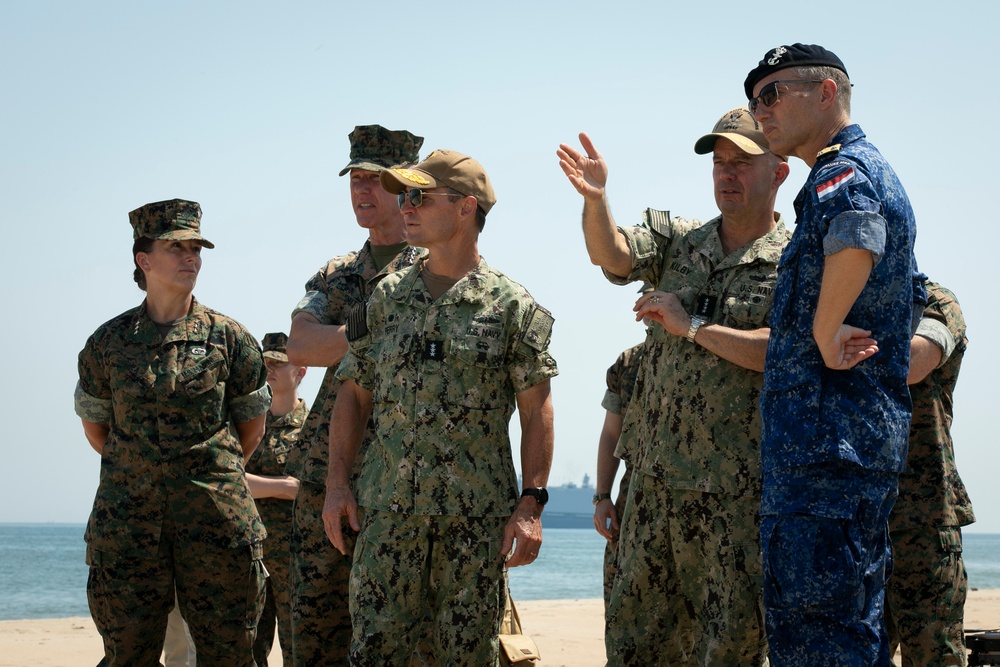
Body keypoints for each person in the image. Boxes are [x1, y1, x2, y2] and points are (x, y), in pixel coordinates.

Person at [557, 106, 791, 666]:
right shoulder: (678, 243)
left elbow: (784, 352)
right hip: (652, 493)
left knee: (728, 650)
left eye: (742, 162)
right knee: (636, 650)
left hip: (735, 501)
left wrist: (694, 328)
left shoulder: (798, 261)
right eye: (719, 162)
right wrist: (596, 201)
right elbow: (609, 253)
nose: (726, 173)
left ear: (779, 172)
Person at [323, 149, 558, 666]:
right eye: (402, 196)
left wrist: (531, 503)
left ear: (465, 207)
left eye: (418, 197)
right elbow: (354, 393)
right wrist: (337, 485)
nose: (404, 206)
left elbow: (536, 406)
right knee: (375, 656)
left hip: (472, 527)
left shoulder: (510, 306)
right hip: (386, 519)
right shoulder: (384, 300)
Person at [744, 43, 924, 666]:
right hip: (837, 447)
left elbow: (857, 234)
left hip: (828, 449)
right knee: (845, 630)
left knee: (820, 635)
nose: (759, 111)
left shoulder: (845, 170)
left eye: (772, 94)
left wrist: (824, 328)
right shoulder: (851, 170)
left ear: (826, 92)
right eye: (753, 99)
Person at [75, 199, 270, 667]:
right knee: (127, 656)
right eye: (176, 246)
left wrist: (203, 476)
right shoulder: (108, 343)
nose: (191, 257)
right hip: (129, 528)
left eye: (196, 247)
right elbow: (97, 429)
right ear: (143, 260)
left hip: (216, 526)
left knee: (231, 655)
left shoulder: (230, 338)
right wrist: (145, 472)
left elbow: (252, 430)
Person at [283, 124, 424, 666]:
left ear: (411, 186)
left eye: (377, 181)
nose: (363, 192)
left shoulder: (440, 273)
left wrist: (342, 338)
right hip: (327, 477)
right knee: (315, 638)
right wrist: (373, 330)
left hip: (408, 481)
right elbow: (300, 344)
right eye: (356, 179)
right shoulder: (337, 275)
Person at [888, 281, 975, 667]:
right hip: (850, 519)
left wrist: (834, 346)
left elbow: (912, 363)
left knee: (934, 658)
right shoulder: (828, 299)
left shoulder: (931, 300)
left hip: (921, 518)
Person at [245, 332, 308, 667]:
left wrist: (259, 484)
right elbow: (229, 479)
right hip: (251, 555)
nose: (270, 368)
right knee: (247, 651)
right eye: (266, 363)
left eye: (278, 363)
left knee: (298, 651)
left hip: (297, 560)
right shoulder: (248, 424)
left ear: (300, 371)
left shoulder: (314, 429)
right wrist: (281, 487)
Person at [591, 343, 643, 610]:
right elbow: (612, 433)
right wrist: (602, 497)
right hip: (634, 502)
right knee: (622, 608)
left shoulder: (713, 346)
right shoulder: (629, 362)